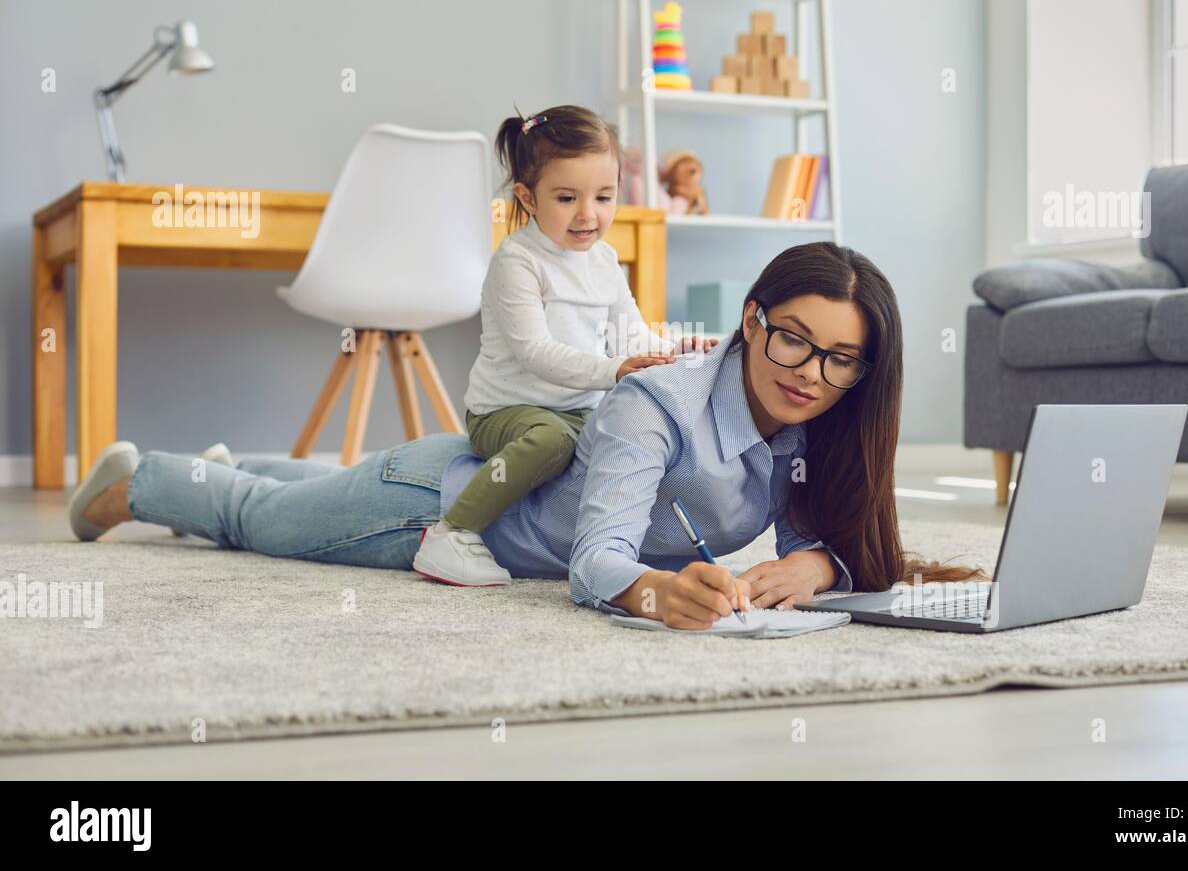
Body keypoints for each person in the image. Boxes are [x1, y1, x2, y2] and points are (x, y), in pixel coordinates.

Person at [69, 242, 989, 630]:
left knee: (299, 494)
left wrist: (817, 567)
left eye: (840, 360)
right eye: (792, 338)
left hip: (460, 481)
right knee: (258, 525)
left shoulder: (808, 420)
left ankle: (245, 471)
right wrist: (657, 596)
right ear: (752, 320)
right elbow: (596, 564)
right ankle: (141, 479)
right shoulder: (653, 407)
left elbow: (814, 542)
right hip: (435, 505)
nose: (810, 374)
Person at [419, 104, 715, 587]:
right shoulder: (518, 261)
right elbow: (534, 352)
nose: (588, 214)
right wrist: (613, 370)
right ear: (528, 198)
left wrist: (680, 347)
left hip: (578, 409)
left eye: (603, 196)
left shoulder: (603, 261)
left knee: (635, 432)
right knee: (552, 440)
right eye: (566, 198)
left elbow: (631, 336)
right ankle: (451, 532)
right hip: (507, 409)